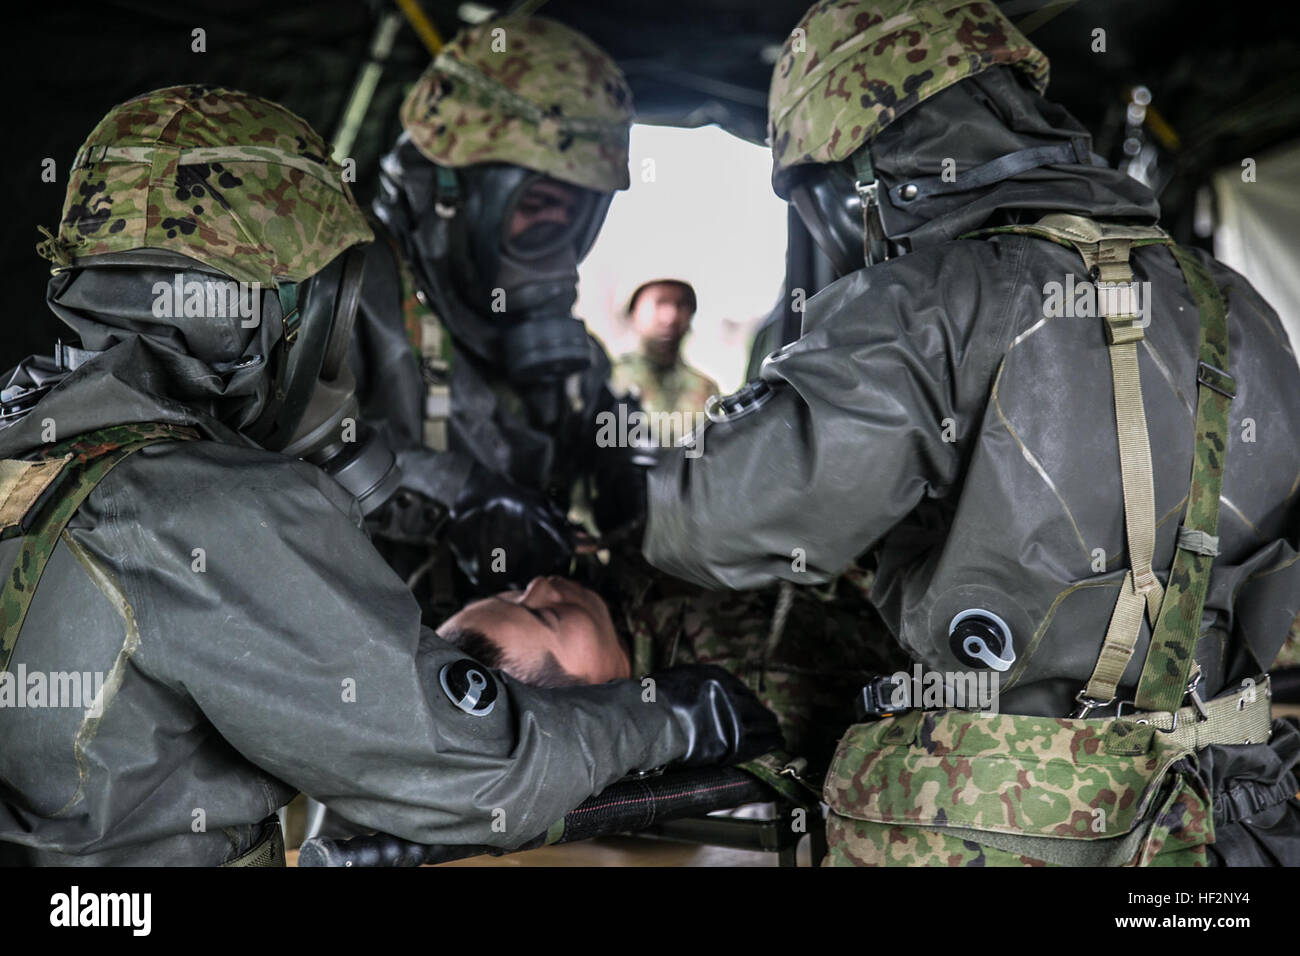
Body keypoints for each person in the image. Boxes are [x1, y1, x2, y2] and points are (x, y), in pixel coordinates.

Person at [0, 85, 779, 866]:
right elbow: (475, 772)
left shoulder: (32, 441)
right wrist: (676, 717)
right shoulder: (216, 510)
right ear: (266, 313)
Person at [642, 0, 1300, 866]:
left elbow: (715, 518)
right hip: (1224, 815)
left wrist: (620, 467)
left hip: (1007, 819)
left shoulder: (931, 302)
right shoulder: (1237, 306)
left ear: (862, 179)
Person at [350, 15, 648, 601]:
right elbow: (266, 465)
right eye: (537, 202)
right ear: (448, 191)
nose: (556, 233)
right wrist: (454, 494)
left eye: (577, 211)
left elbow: (603, 429)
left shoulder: (573, 360)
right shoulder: (338, 293)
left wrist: (628, 461)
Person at [438, 554, 905, 768]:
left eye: (508, 593)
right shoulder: (750, 682)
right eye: (546, 614)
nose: (539, 580)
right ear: (583, 701)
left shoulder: (619, 611)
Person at [611, 279, 719, 418]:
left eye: (681, 305)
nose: (671, 316)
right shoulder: (608, 380)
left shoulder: (706, 390)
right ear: (634, 309)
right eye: (660, 302)